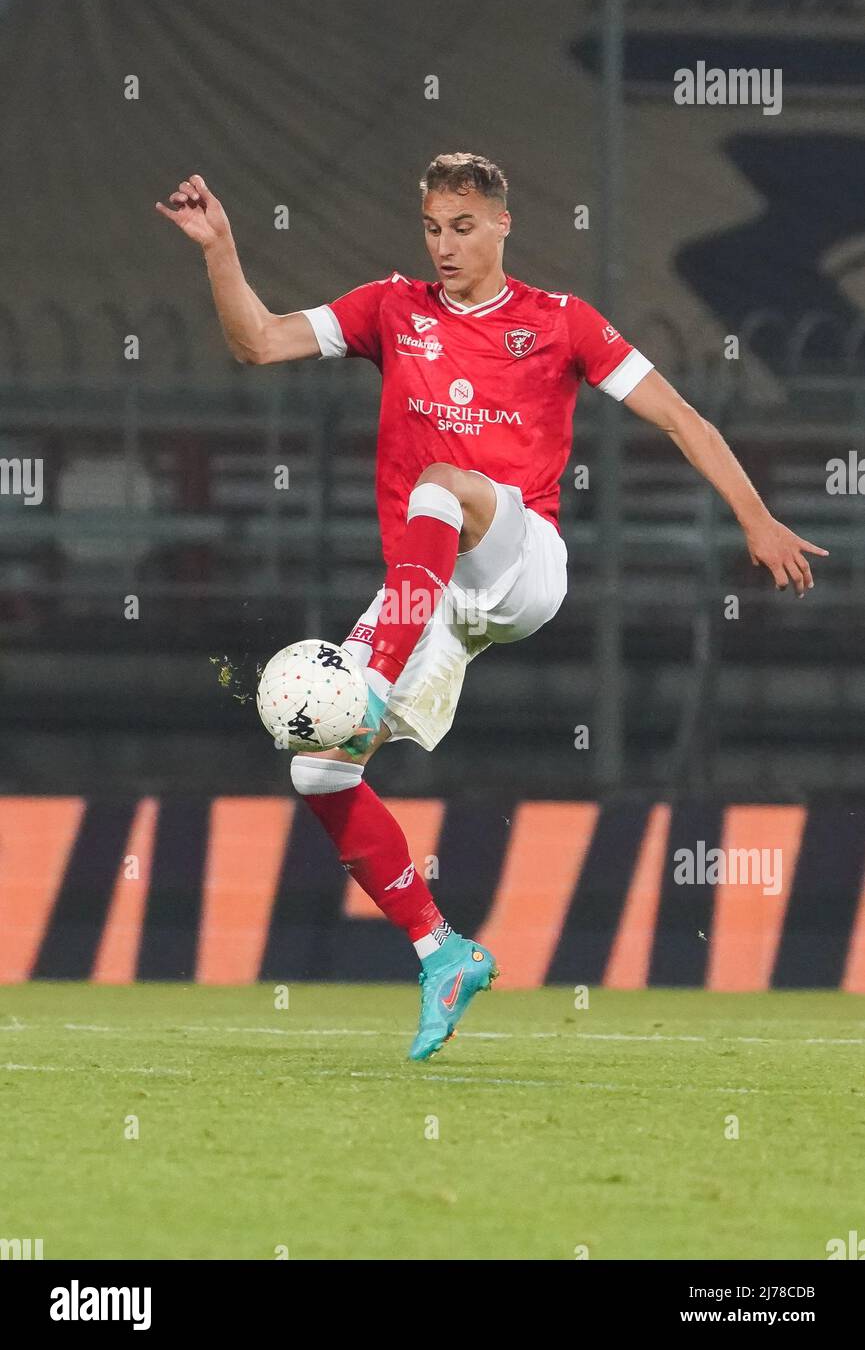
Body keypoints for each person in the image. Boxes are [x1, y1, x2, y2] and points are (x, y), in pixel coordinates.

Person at [157, 152, 827, 1060]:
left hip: (520, 569)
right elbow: (258, 342)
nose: (444, 246)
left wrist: (756, 521)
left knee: (440, 482)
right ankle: (441, 952)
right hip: (425, 596)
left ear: (502, 224)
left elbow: (680, 417)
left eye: (462, 227)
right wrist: (220, 248)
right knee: (318, 771)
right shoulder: (390, 310)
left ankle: (376, 681)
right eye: (433, 227)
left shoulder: (560, 323)